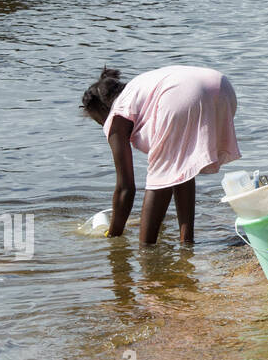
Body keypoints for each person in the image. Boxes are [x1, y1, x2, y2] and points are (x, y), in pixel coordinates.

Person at [81, 66, 241, 245]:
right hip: (222, 88)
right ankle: (187, 242)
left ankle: (146, 252)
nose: (104, 126)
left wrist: (113, 236)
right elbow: (180, 173)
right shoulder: (137, 90)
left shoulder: (117, 113)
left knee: (159, 178)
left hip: (181, 97)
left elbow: (125, 188)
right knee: (181, 169)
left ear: (101, 110)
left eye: (99, 122)